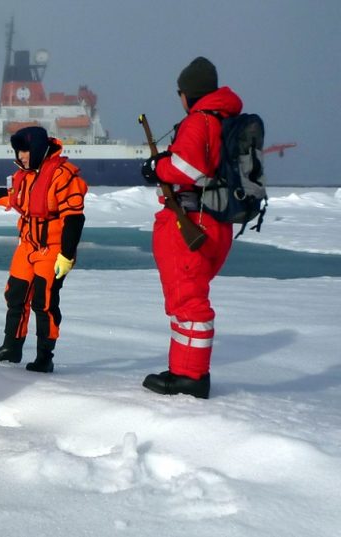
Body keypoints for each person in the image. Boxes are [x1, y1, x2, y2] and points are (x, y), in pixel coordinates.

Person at [138, 57, 242, 399]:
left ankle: (191, 378)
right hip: (215, 223)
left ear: (188, 93)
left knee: (189, 302)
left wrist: (158, 167)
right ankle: (182, 369)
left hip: (191, 224)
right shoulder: (226, 120)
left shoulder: (200, 121)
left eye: (180, 92)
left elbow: (188, 168)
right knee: (188, 297)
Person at [0, 126, 87, 373]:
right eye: (18, 151)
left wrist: (66, 255)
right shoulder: (25, 175)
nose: (20, 156)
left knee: (43, 303)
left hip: (53, 248)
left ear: (36, 148)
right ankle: (11, 347)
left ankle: (45, 357)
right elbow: (13, 197)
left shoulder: (63, 175)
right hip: (27, 246)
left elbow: (74, 218)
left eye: (24, 150)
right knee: (15, 295)